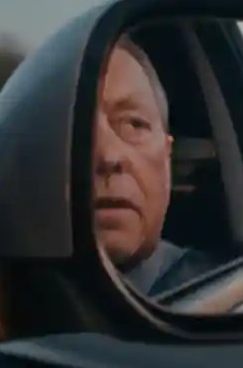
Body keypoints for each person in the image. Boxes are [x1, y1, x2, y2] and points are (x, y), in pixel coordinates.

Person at [92, 34, 215, 296]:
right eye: (75, 130)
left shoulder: (209, 281)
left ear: (167, 155)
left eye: (133, 124)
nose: (108, 156)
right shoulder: (1, 294)